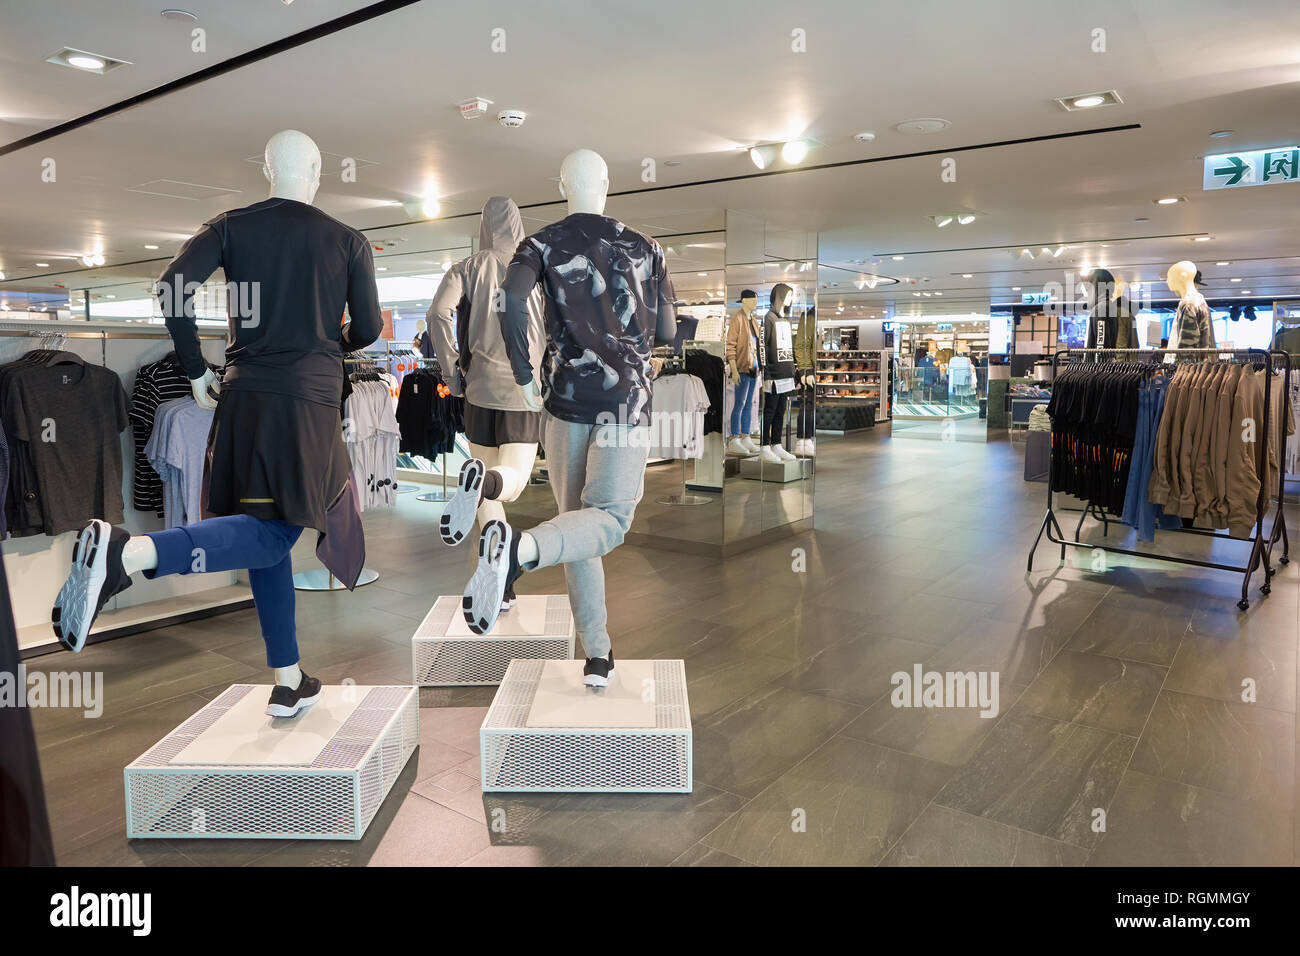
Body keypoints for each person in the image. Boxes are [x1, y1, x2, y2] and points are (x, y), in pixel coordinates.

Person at [51, 130, 383, 718]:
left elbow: (172, 290)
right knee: (280, 531)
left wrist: (195, 368)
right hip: (306, 401)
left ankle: (288, 676)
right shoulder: (347, 240)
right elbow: (368, 329)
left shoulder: (230, 225)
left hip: (243, 394)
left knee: (264, 531)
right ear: (317, 170)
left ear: (265, 167)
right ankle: (128, 556)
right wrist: (333, 338)